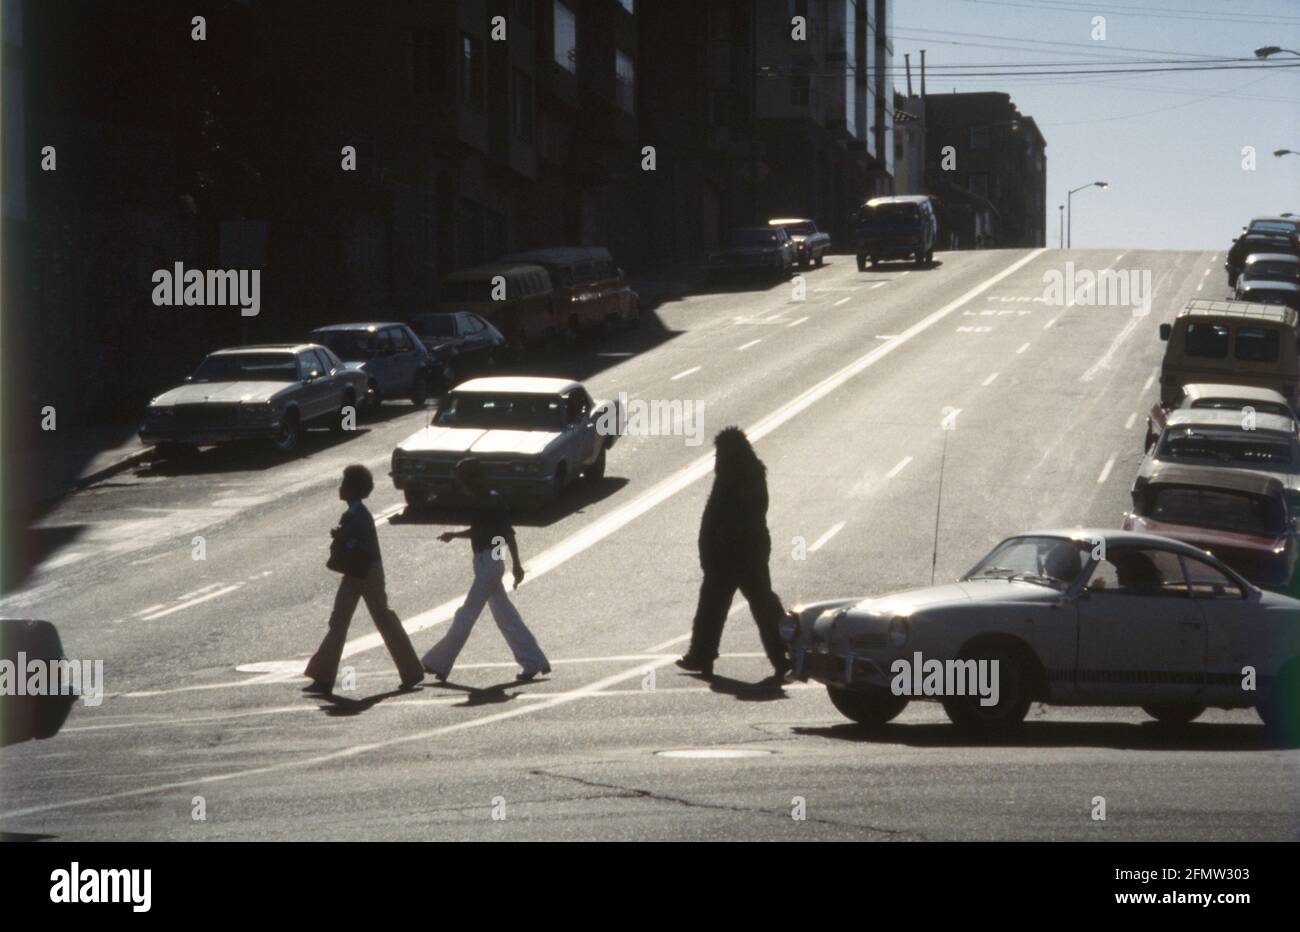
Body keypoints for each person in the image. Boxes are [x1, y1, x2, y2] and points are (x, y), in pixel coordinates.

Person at [421, 458, 550, 682]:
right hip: (485, 561)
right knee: (505, 617)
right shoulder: (481, 499)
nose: (459, 482)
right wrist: (455, 535)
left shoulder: (489, 500)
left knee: (467, 613)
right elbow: (481, 530)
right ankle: (534, 661)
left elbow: (506, 534)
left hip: (489, 561)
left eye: (461, 478)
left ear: (471, 479)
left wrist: (514, 564)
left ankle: (437, 662)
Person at [677, 427, 790, 680]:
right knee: (755, 605)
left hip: (736, 555)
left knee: (724, 607)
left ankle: (703, 655)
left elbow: (735, 518)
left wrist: (720, 547)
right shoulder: (743, 472)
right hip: (738, 554)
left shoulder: (739, 476)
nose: (716, 459)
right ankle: (782, 654)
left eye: (719, 454)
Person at [305, 465, 425, 693]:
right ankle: (322, 675)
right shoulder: (354, 512)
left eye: (344, 484)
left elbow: (362, 546)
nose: (340, 488)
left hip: (367, 573)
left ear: (352, 489)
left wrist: (344, 538)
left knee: (381, 620)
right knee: (340, 621)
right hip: (356, 572)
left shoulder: (359, 515)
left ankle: (412, 671)